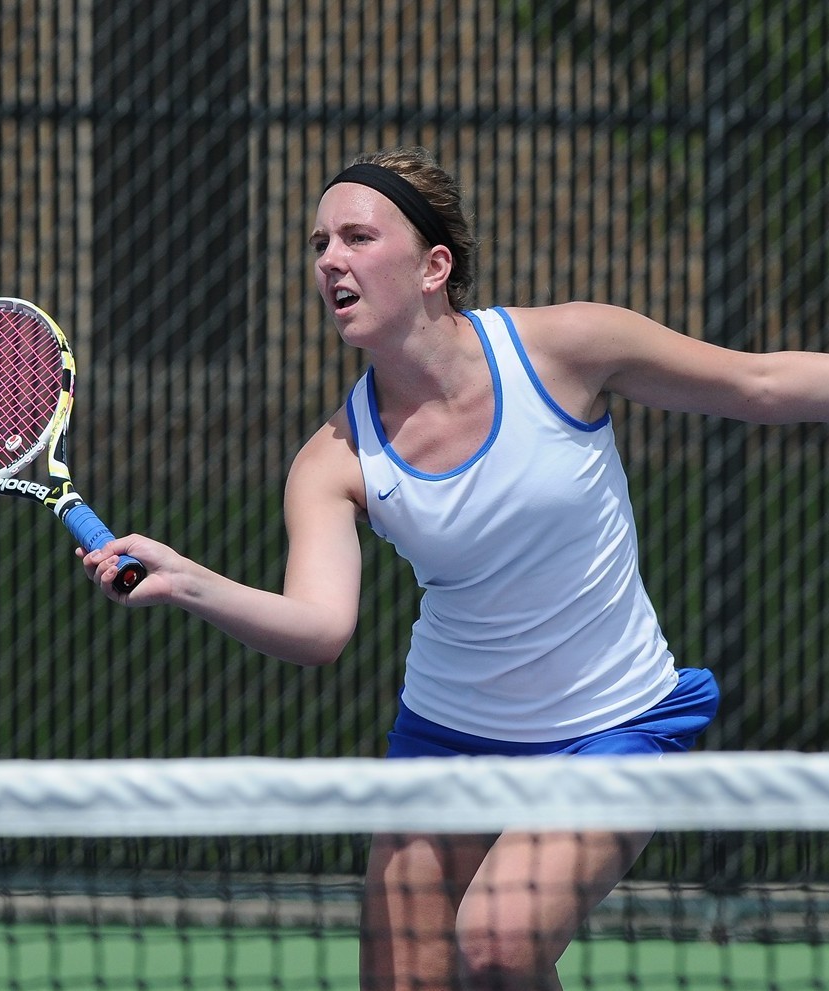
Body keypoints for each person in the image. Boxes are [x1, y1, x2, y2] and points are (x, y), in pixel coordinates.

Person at [80, 146, 829, 990]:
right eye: (318, 242)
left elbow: (760, 383)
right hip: (446, 740)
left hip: (607, 723)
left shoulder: (564, 349)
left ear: (434, 265)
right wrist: (188, 580)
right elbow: (319, 628)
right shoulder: (332, 459)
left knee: (499, 944)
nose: (329, 259)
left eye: (356, 236)